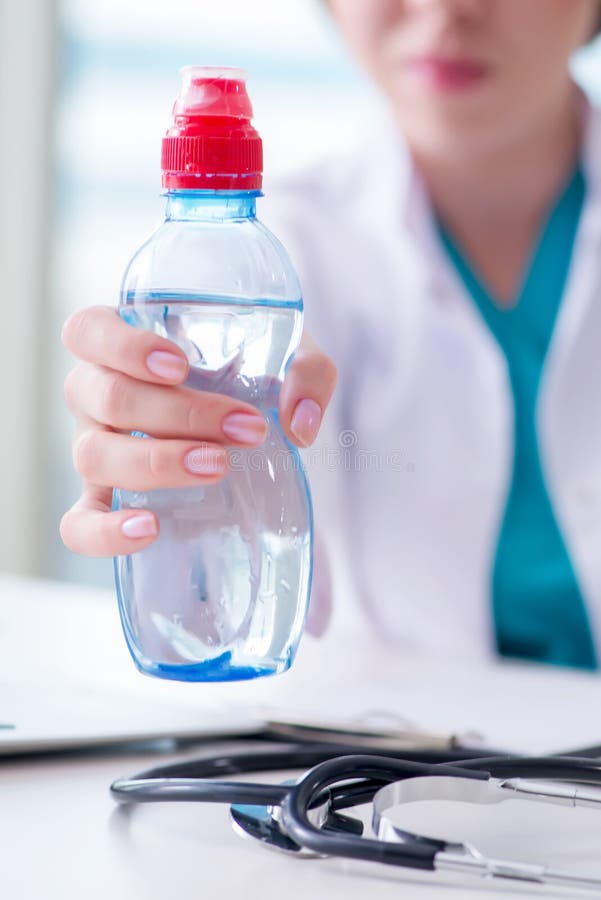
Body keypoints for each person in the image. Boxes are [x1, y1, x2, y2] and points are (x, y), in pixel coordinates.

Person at [61, 0, 601, 669]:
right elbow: (266, 594)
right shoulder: (271, 261)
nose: (443, 10)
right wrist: (166, 460)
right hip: (404, 724)